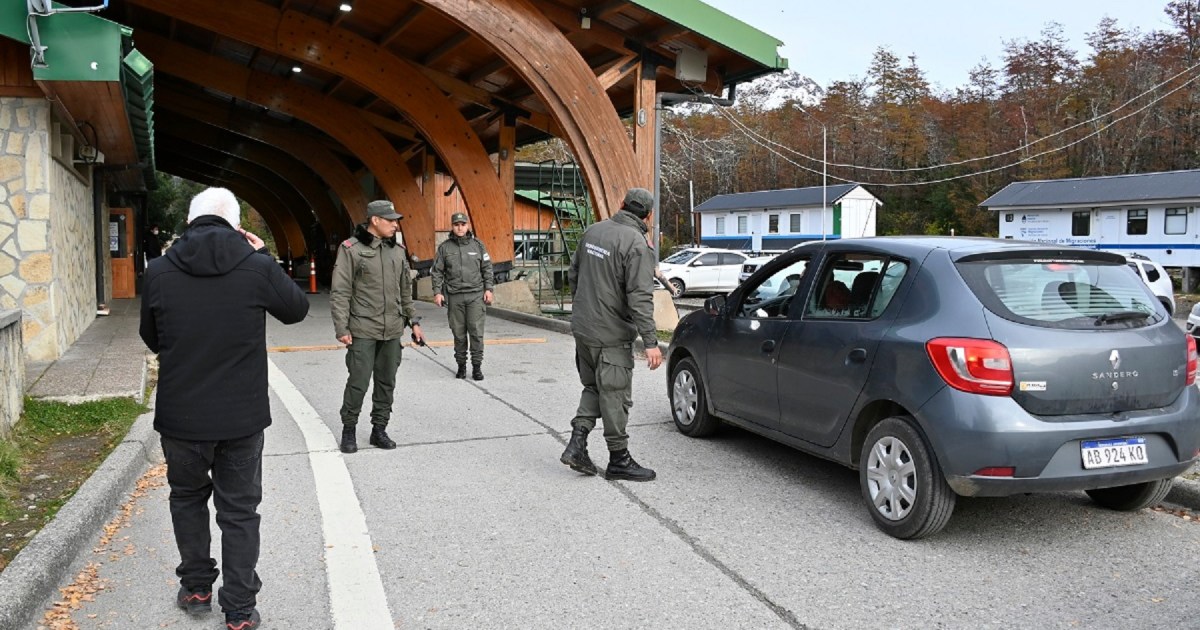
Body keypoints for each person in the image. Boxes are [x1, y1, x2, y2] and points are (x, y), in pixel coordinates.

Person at [140, 187, 309, 630]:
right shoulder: (255, 267)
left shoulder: (158, 271)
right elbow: (296, 309)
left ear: (190, 222)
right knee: (239, 511)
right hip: (241, 417)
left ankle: (196, 587)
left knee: (187, 500)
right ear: (237, 226)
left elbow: (151, 336)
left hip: (181, 416)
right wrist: (266, 258)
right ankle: (238, 609)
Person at [560, 187, 663, 482]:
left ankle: (577, 443)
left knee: (593, 387)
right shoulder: (637, 245)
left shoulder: (593, 231)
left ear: (622, 205)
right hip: (611, 334)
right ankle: (619, 459)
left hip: (583, 328)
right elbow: (640, 299)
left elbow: (574, 274)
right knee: (615, 394)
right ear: (648, 215)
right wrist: (652, 343)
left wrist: (584, 308)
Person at [330, 199, 425, 454]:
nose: (395, 224)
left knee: (386, 382)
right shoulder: (350, 249)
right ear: (375, 220)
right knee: (358, 382)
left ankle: (379, 429)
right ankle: (349, 429)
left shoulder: (397, 250)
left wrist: (413, 321)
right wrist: (342, 328)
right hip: (362, 329)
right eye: (390, 220)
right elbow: (340, 292)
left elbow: (405, 291)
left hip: (393, 329)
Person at [431, 211, 494, 380]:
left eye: (463, 224)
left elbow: (487, 269)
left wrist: (489, 289)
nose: (460, 228)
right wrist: (437, 292)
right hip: (454, 296)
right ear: (452, 227)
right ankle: (461, 366)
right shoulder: (445, 248)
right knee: (458, 333)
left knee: (476, 332)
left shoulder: (478, 246)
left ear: (467, 226)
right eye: (456, 225)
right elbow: (437, 272)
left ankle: (477, 367)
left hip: (475, 295)